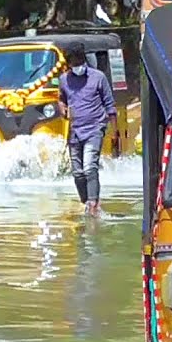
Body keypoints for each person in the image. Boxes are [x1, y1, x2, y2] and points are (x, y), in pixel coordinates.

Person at [57, 42, 116, 215]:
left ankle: (93, 203)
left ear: (84, 59)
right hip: (74, 132)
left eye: (79, 61)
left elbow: (110, 105)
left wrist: (114, 131)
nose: (77, 66)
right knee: (77, 173)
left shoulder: (98, 77)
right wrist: (62, 107)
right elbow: (61, 99)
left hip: (95, 129)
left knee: (90, 167)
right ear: (68, 63)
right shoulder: (64, 80)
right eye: (73, 63)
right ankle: (85, 201)